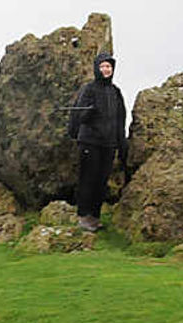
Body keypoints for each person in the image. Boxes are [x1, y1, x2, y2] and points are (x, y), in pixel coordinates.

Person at [68, 53, 128, 232]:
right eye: (102, 66)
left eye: (108, 66)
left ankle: (95, 216)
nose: (105, 69)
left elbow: (120, 119)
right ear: (97, 68)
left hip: (108, 144)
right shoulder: (89, 89)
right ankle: (83, 216)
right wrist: (89, 112)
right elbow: (78, 115)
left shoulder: (116, 92)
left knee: (102, 181)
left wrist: (122, 144)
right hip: (90, 142)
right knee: (88, 179)